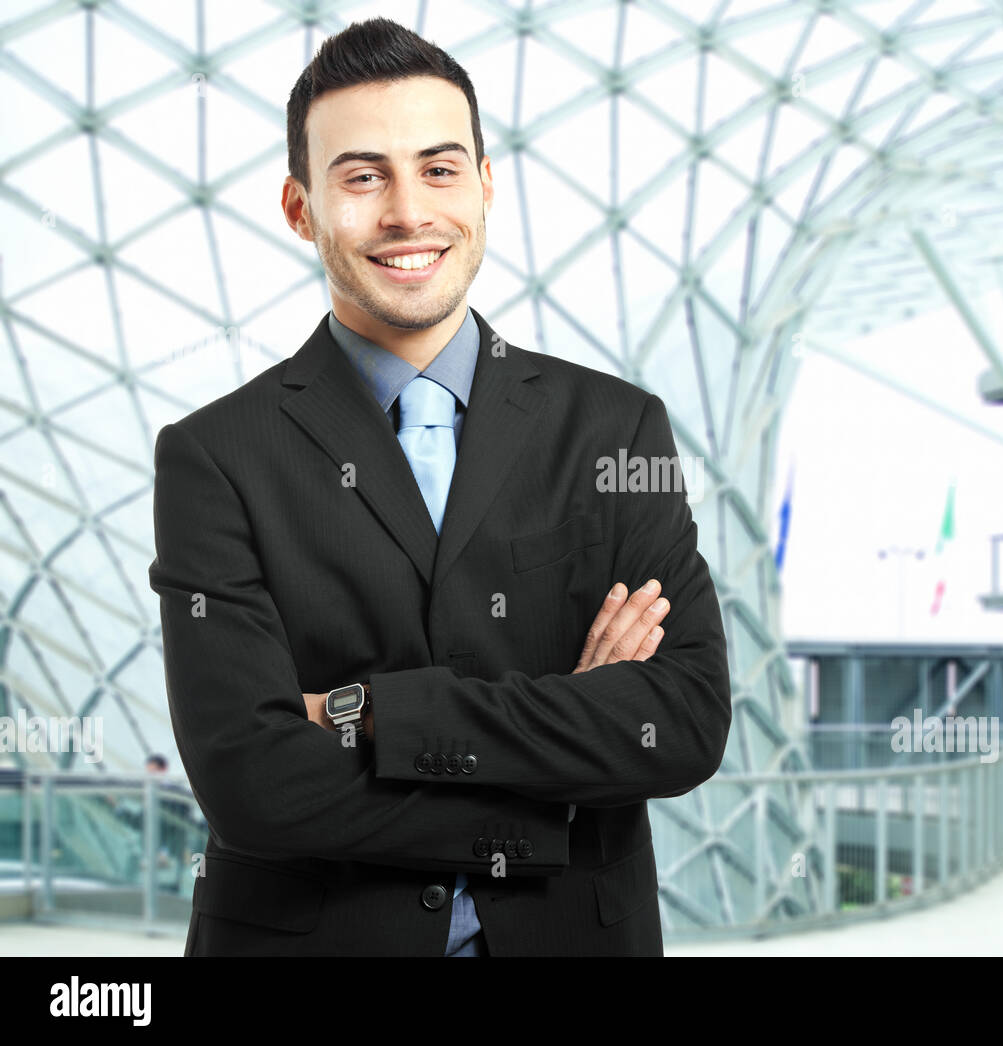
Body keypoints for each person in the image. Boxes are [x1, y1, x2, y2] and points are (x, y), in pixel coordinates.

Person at [148, 16, 731, 957]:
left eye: (440, 168)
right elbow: (253, 784)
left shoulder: (616, 430)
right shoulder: (216, 456)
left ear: (486, 187)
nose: (409, 213)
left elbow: (682, 722)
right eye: (363, 175)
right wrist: (560, 777)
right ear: (301, 208)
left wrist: (371, 710)